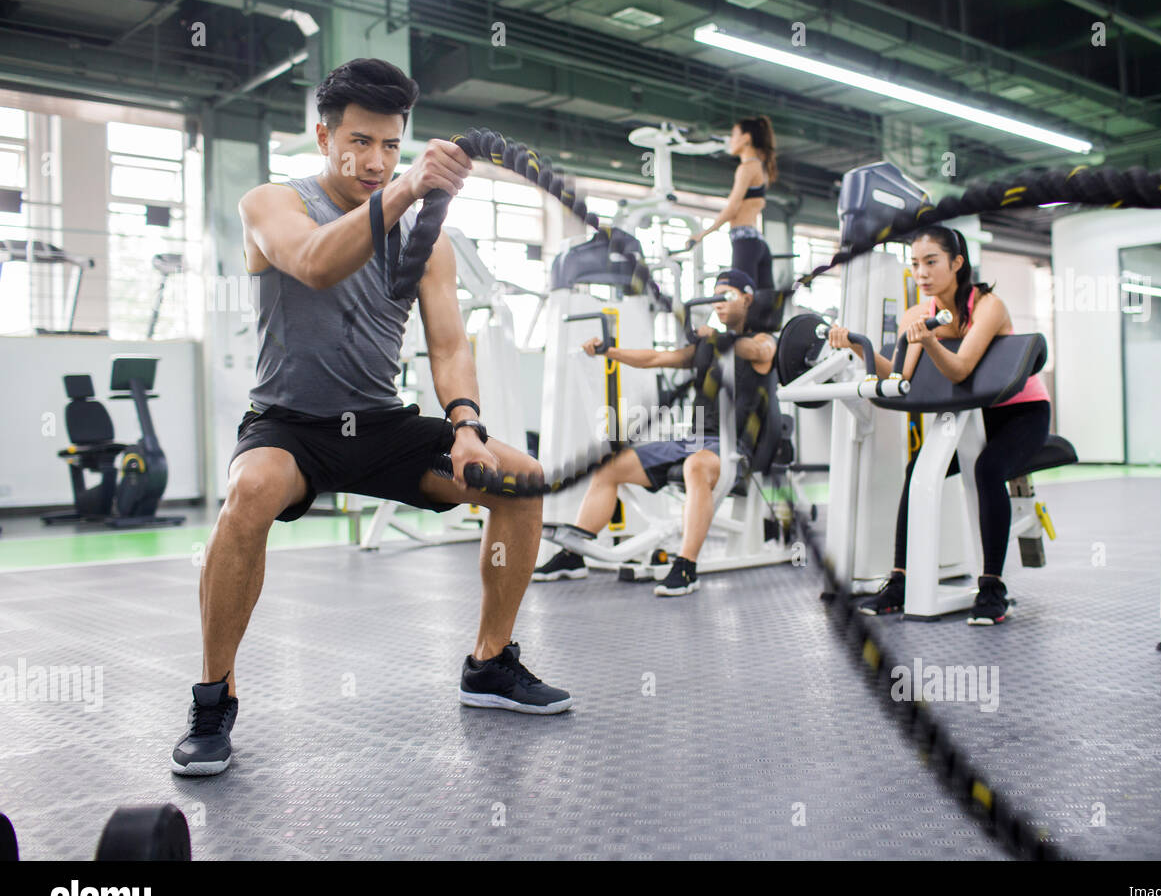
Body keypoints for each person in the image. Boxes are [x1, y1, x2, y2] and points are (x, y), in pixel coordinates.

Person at [173, 58, 572, 778]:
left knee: (525, 481)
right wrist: (412, 187)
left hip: (381, 426)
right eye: (359, 141)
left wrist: (466, 425)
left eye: (391, 146)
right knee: (251, 493)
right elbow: (316, 263)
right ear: (322, 135)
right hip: (291, 426)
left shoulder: (427, 241)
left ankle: (489, 663)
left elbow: (450, 345)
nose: (375, 161)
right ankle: (213, 699)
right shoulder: (271, 204)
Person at [828, 225, 1051, 625]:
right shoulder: (919, 315)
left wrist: (929, 341)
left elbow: (962, 369)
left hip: (1020, 412)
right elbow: (900, 378)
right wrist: (857, 346)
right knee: (919, 472)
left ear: (957, 263)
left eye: (932, 262)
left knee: (988, 470)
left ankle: (992, 588)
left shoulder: (987, 306)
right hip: (973, 415)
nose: (922, 272)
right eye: (915, 264)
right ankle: (900, 582)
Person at [532, 269, 777, 597]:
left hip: (735, 448)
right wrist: (609, 351)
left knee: (696, 466)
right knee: (609, 466)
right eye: (714, 296)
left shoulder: (763, 340)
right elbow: (656, 357)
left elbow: (758, 353)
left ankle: (686, 567)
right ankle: (572, 556)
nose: (718, 303)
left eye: (726, 296)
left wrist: (720, 338)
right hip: (692, 441)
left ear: (747, 299)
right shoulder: (706, 345)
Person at [685, 116, 778, 289]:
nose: (731, 140)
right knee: (759, 303)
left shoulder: (747, 168)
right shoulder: (761, 168)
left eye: (734, 135)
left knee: (740, 299)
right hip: (757, 242)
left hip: (744, 241)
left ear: (746, 138)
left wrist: (702, 234)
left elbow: (733, 208)